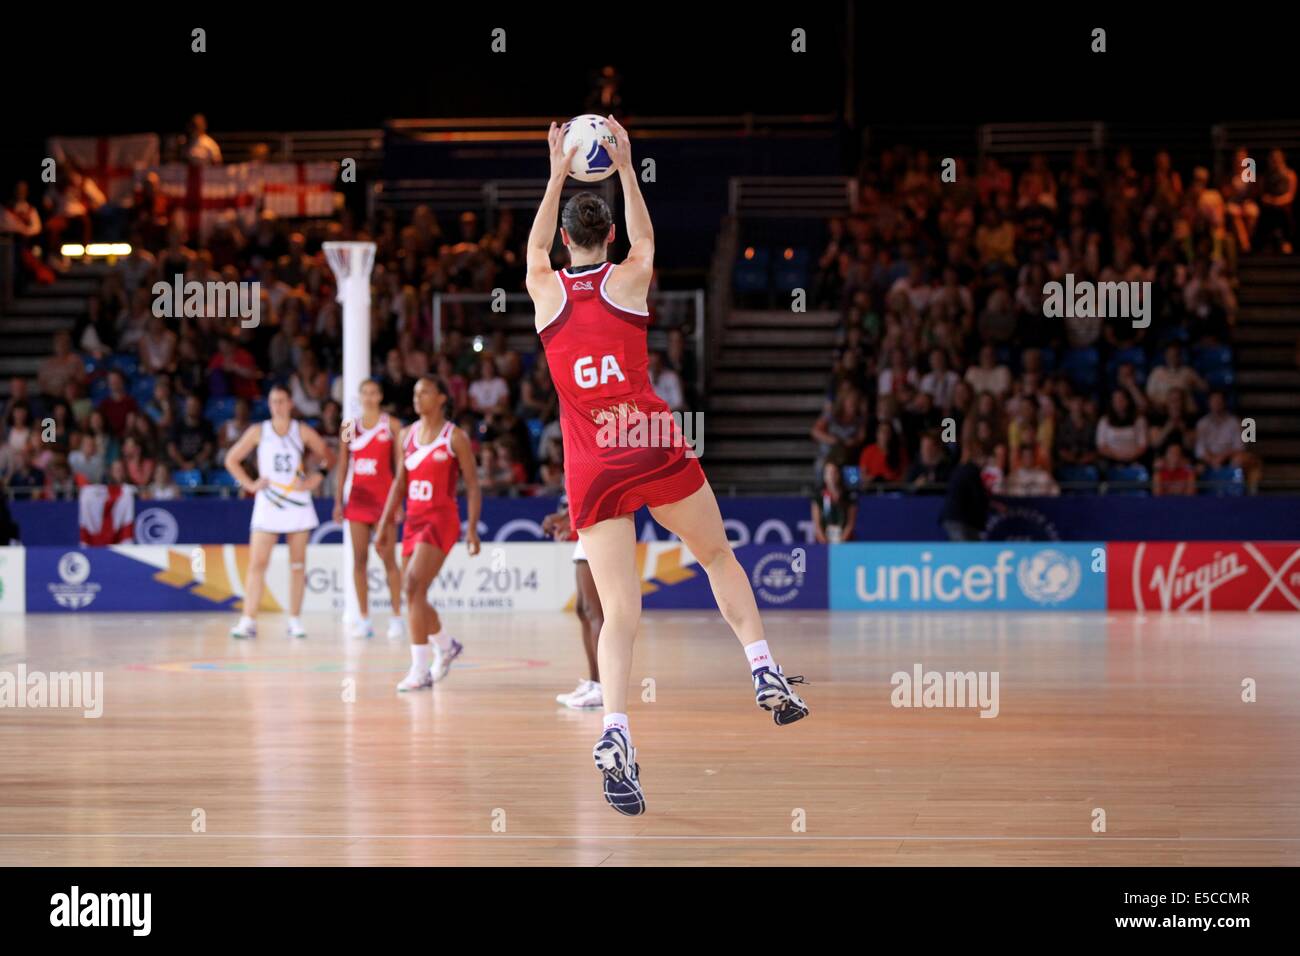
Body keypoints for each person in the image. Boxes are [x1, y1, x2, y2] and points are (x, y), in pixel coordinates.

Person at [524, 118, 807, 817]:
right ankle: (764, 670)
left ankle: (616, 732)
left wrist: (557, 169)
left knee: (621, 608)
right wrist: (627, 165)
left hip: (592, 466)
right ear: (609, 238)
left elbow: (532, 247)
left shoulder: (546, 290)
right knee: (715, 554)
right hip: (650, 437)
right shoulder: (630, 278)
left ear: (566, 241)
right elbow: (647, 239)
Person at [375, 376, 482, 691]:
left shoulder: (455, 437)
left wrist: (472, 528)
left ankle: (420, 670)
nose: (417, 397)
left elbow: (473, 486)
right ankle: (446, 645)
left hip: (441, 519)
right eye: (415, 393)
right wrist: (383, 525)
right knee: (414, 594)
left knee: (411, 585)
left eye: (424, 392)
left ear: (441, 399)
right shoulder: (405, 435)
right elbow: (399, 483)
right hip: (413, 519)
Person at [223, 384, 333, 639]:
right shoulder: (258, 431)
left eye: (282, 401)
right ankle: (248, 620)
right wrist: (249, 484)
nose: (278, 406)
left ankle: (294, 619)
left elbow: (329, 456)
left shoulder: (301, 431)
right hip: (269, 502)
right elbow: (231, 459)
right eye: (273, 401)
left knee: (297, 565)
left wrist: (315, 480)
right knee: (257, 563)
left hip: (297, 502)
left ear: (290, 403)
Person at [332, 379, 405, 641]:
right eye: (365, 393)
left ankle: (397, 617)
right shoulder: (348, 427)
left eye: (374, 392)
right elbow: (342, 466)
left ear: (380, 395)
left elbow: (400, 468)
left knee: (388, 559)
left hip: (384, 503)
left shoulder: (393, 426)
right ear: (360, 396)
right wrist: (338, 501)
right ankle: (364, 619)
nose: (369, 397)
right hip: (358, 501)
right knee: (359, 560)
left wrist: (398, 504)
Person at [543, 503, 604, 710]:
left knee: (595, 613)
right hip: (587, 531)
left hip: (600, 529)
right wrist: (566, 518)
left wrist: (565, 518)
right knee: (582, 610)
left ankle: (605, 687)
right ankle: (595, 682)